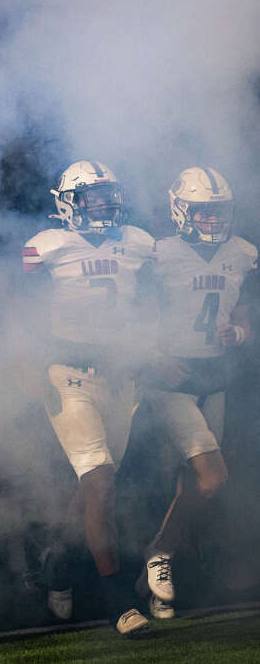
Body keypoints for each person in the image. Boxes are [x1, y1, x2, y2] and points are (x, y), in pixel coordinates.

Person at [22, 160, 154, 637]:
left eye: (106, 195)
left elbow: (153, 306)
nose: (101, 203)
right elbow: (20, 312)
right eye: (90, 197)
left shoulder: (139, 243)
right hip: (69, 375)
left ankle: (56, 563)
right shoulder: (46, 246)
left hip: (120, 379)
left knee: (94, 486)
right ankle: (117, 600)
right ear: (67, 202)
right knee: (100, 483)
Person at [136, 167, 257, 619]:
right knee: (211, 477)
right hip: (172, 379)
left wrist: (239, 334)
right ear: (182, 211)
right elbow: (134, 313)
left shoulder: (243, 252)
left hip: (215, 379)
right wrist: (151, 353)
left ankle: (147, 586)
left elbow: (243, 312)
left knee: (191, 485)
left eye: (218, 212)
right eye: (203, 213)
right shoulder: (158, 254)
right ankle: (159, 555)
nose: (212, 221)